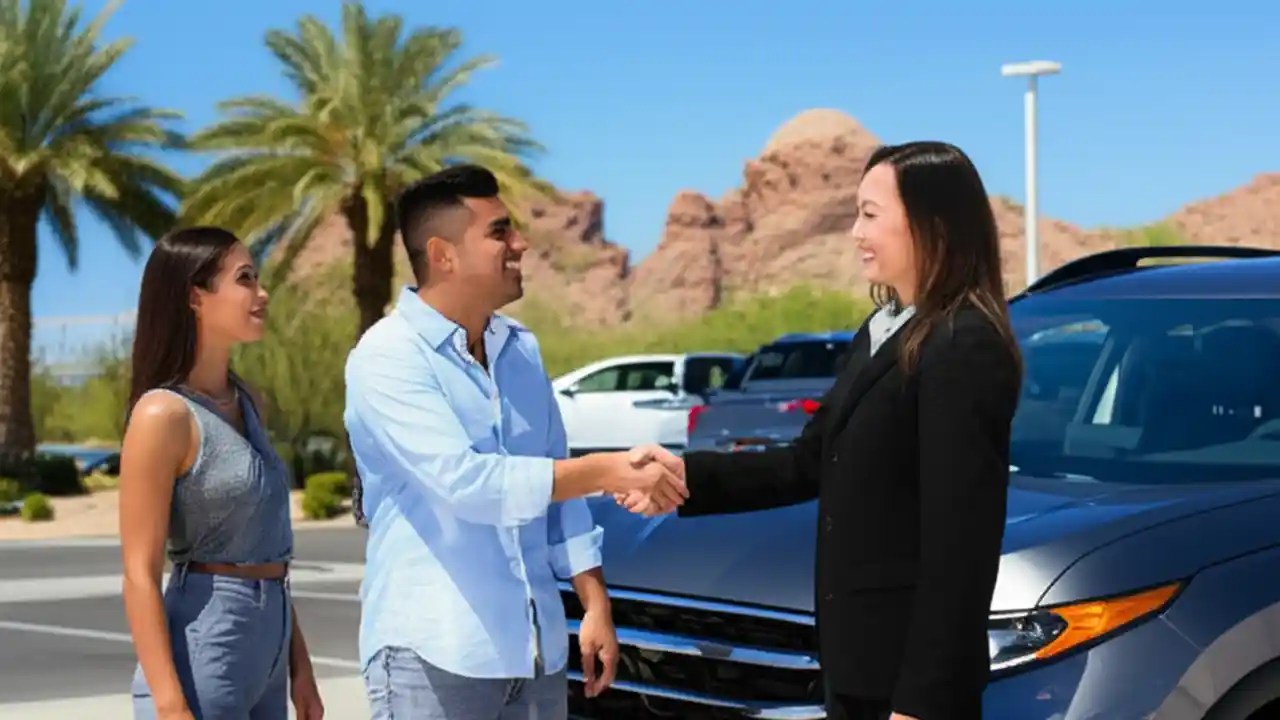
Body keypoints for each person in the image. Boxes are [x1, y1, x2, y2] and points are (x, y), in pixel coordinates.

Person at [622, 141, 1023, 720]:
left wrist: (922, 700)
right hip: (856, 666)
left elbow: (960, 548)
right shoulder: (883, 330)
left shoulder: (965, 346)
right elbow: (808, 461)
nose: (855, 233)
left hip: (908, 689)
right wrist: (683, 473)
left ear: (931, 223)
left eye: (870, 214)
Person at [343, 164, 687, 719]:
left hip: (536, 655)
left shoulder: (521, 351)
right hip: (433, 659)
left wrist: (595, 602)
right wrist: (611, 470)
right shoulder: (387, 357)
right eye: (499, 231)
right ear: (443, 254)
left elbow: (557, 480)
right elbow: (469, 485)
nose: (520, 244)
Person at [118, 227, 324, 720]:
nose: (262, 293)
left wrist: (301, 667)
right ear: (195, 296)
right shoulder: (161, 416)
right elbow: (139, 574)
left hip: (271, 633)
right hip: (208, 639)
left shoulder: (248, 401)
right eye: (245, 279)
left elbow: (264, 546)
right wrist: (169, 703)